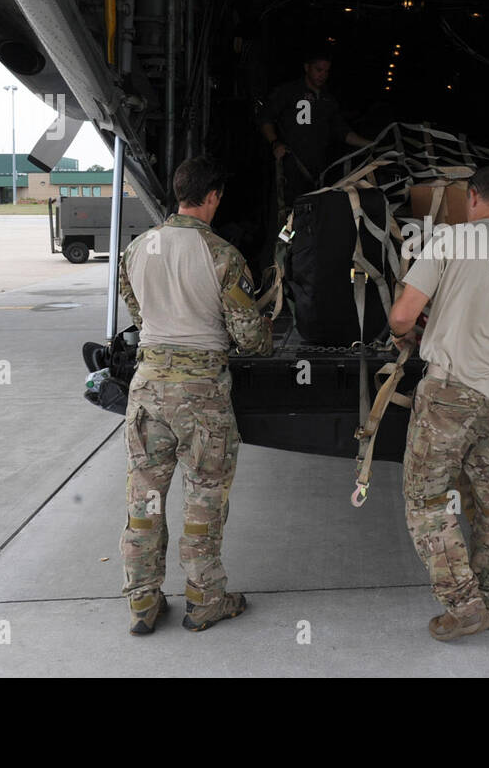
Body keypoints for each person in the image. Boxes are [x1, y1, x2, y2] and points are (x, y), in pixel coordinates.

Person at [388, 167, 489, 642]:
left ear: (471, 199)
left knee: (426, 499)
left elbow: (402, 315)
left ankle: (463, 603)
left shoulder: (447, 241)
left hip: (450, 395)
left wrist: (407, 332)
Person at [117, 156, 273, 635]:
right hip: (201, 396)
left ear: (177, 193)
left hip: (146, 390)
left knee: (144, 498)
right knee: (203, 498)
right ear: (213, 197)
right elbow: (252, 340)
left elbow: (137, 312)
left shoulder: (137, 249)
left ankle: (142, 601)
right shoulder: (223, 255)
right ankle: (205, 599)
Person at [257, 49, 372, 202]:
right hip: (289, 169)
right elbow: (265, 118)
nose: (322, 75)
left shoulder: (328, 100)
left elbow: (344, 132)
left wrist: (370, 144)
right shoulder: (288, 92)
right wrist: (274, 142)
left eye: (326, 71)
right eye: (318, 70)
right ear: (307, 68)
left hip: (318, 174)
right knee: (283, 216)